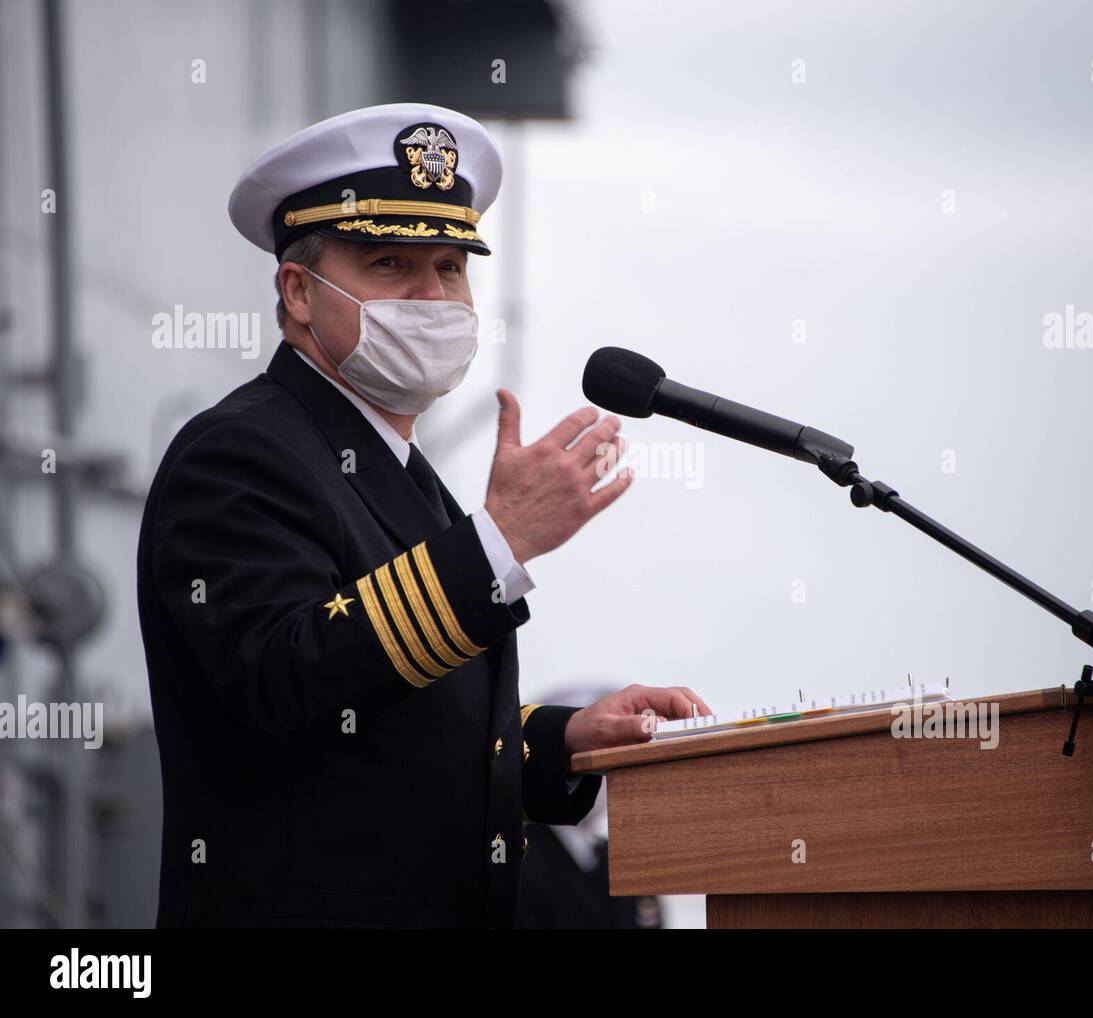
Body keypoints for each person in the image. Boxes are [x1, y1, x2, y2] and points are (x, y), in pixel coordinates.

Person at [136, 102, 710, 928]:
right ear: (299, 291)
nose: (432, 296)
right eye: (389, 263)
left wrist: (562, 741)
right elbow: (290, 679)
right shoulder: (236, 456)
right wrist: (497, 541)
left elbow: (403, 727)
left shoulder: (399, 472)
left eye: (450, 267)